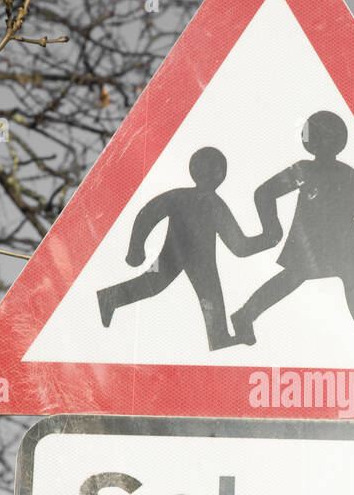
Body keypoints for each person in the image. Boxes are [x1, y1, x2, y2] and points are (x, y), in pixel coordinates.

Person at [231, 111, 354, 356]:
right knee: (298, 278)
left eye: (331, 137)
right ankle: (244, 315)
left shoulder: (346, 174)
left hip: (341, 243)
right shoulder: (305, 170)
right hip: (312, 241)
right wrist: (272, 230)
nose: (327, 143)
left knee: (353, 280)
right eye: (323, 137)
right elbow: (263, 193)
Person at [97, 146, 275, 350]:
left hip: (185, 256)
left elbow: (239, 246)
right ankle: (219, 337)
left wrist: (136, 248)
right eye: (217, 169)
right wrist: (135, 248)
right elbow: (149, 214)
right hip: (191, 258)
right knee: (194, 290)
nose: (218, 174)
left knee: (159, 284)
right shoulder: (209, 203)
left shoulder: (191, 198)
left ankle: (111, 297)